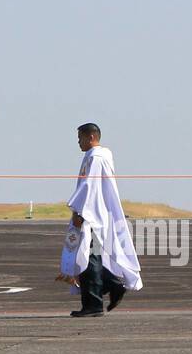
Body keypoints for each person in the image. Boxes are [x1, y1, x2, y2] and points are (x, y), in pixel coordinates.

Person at [57, 123, 143, 317]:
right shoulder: (101, 156)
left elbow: (91, 187)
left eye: (80, 137)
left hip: (91, 215)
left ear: (91, 137)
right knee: (92, 256)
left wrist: (80, 213)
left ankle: (93, 304)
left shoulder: (95, 158)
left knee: (89, 259)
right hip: (98, 214)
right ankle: (113, 286)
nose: (78, 142)